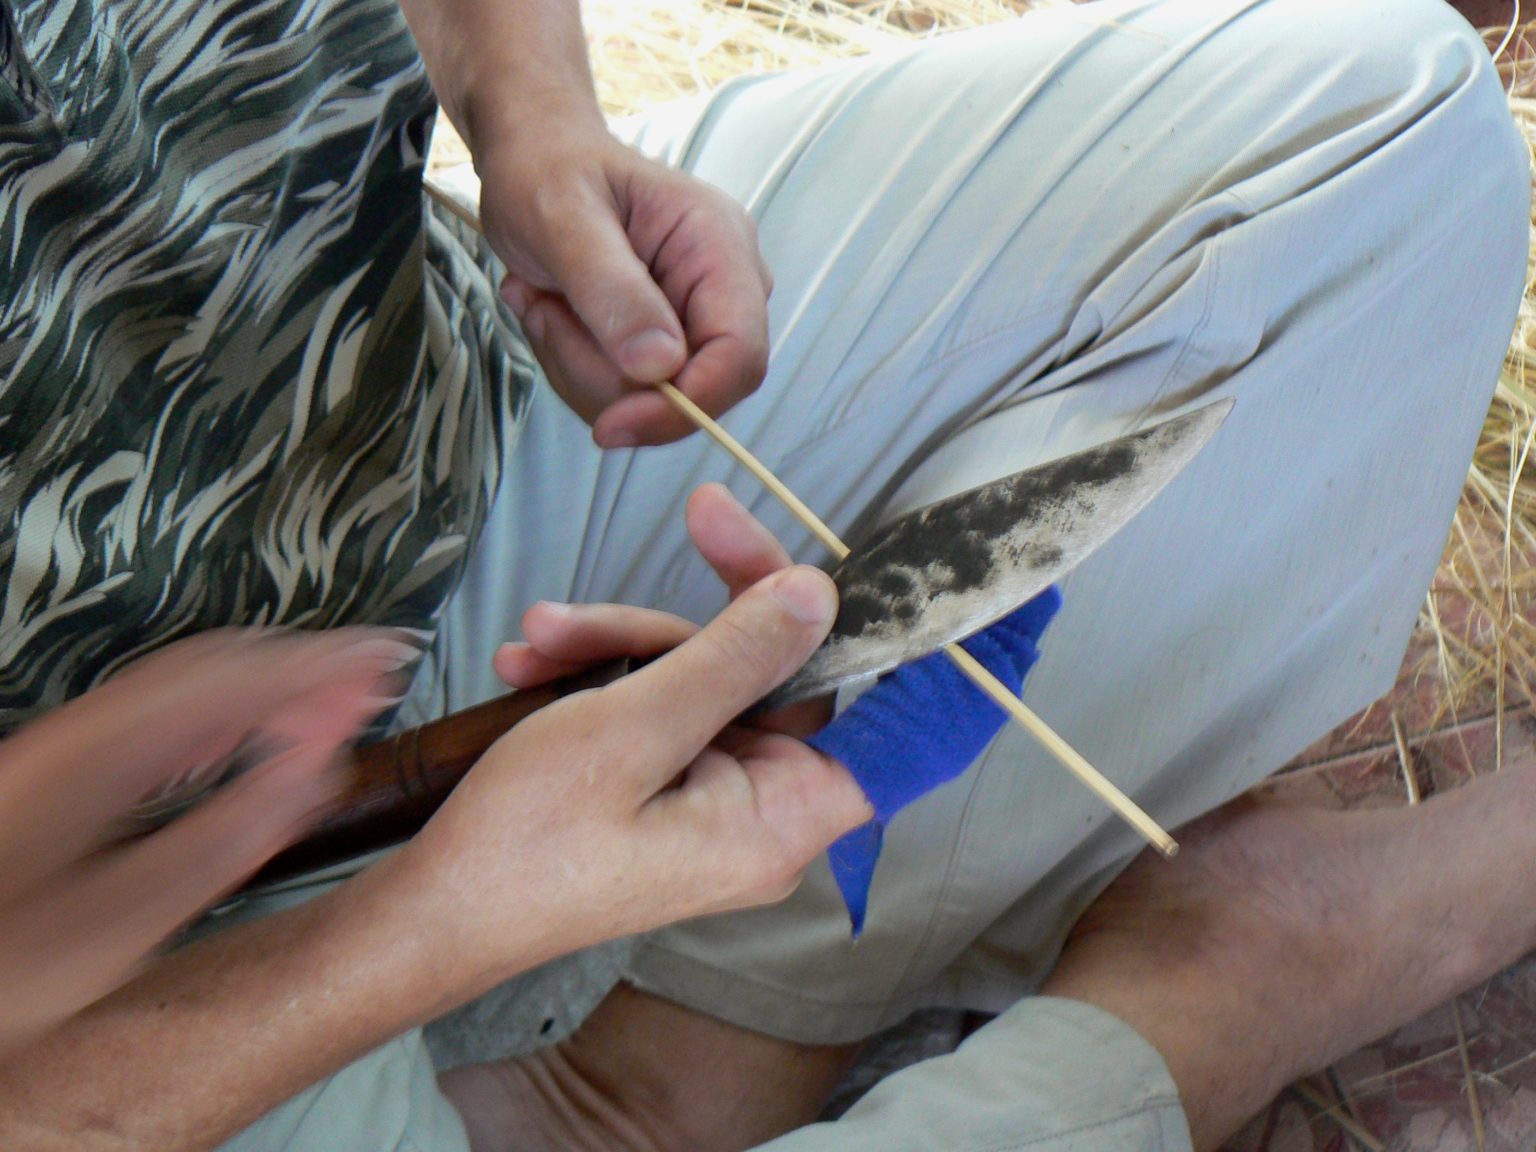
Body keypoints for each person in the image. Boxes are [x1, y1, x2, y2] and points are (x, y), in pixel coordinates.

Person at [0, 0, 1528, 1149]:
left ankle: (732, 1014)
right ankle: (1225, 986)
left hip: (447, 410)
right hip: (112, 1032)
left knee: (1388, 120)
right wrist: (406, 934)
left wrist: (534, 121)